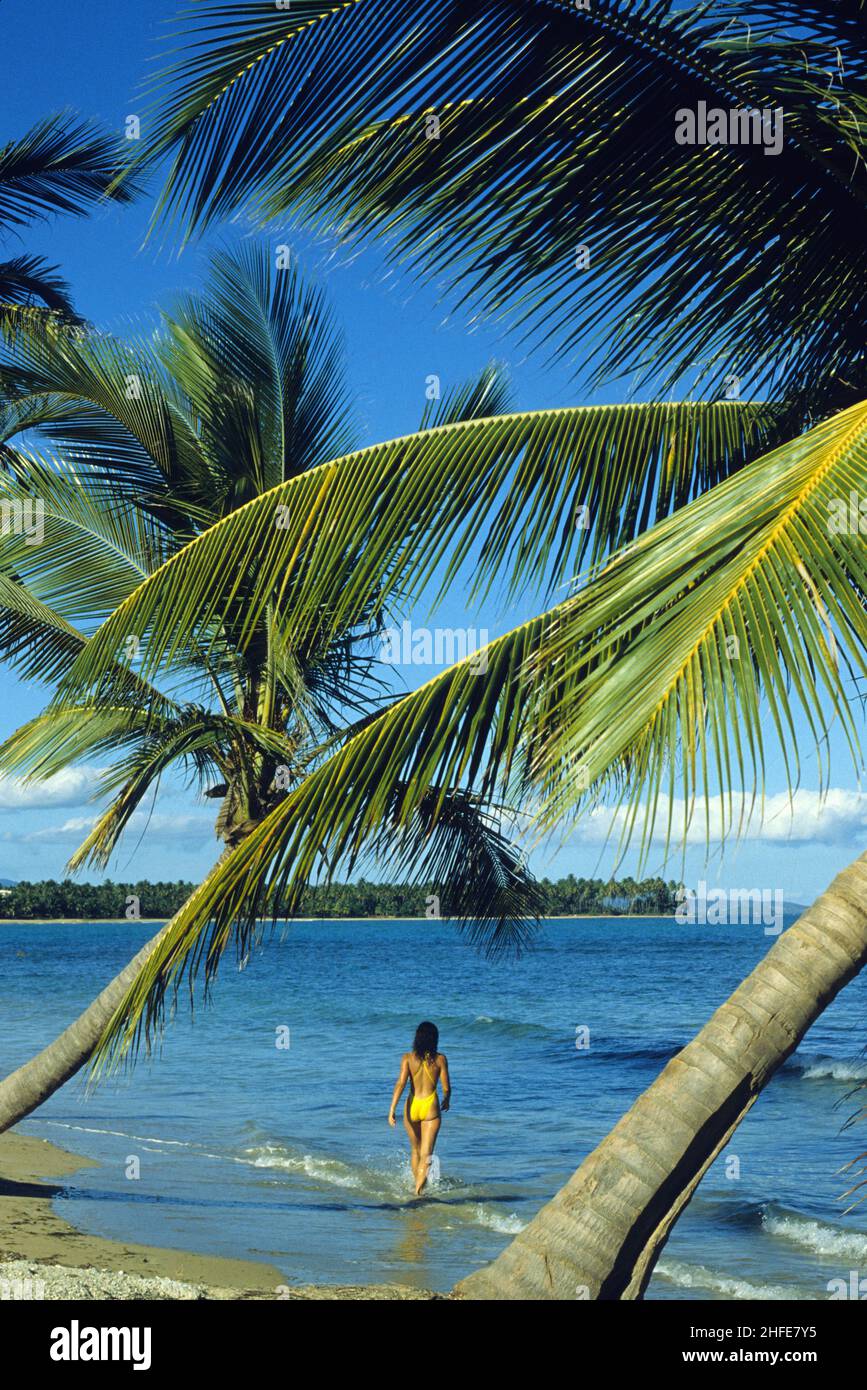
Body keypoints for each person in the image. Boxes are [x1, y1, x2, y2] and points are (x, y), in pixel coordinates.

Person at [388, 1021, 450, 1195]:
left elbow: (400, 1083)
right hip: (430, 1106)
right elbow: (446, 1087)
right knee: (427, 1154)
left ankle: (417, 1187)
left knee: (415, 1150)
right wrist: (447, 1099)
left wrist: (392, 1109)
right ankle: (418, 1191)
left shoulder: (407, 1058)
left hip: (412, 1106)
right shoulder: (440, 1059)